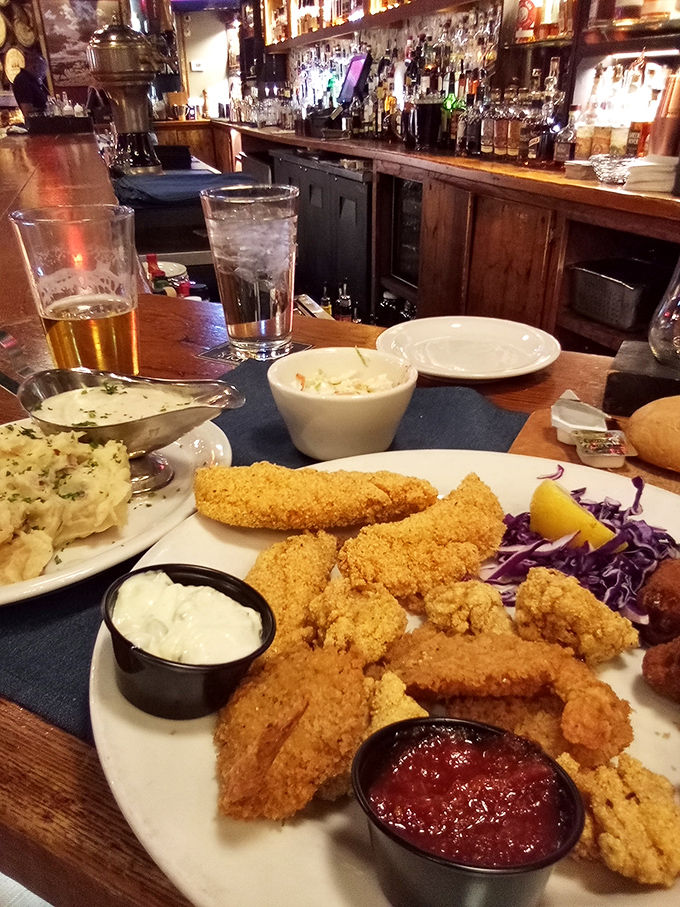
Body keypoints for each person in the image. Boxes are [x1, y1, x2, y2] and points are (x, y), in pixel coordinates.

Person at [12, 51, 49, 118]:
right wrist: (48, 110)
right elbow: (27, 110)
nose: (43, 73)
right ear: (35, 67)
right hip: (37, 122)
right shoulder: (22, 80)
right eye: (43, 69)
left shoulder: (32, 79)